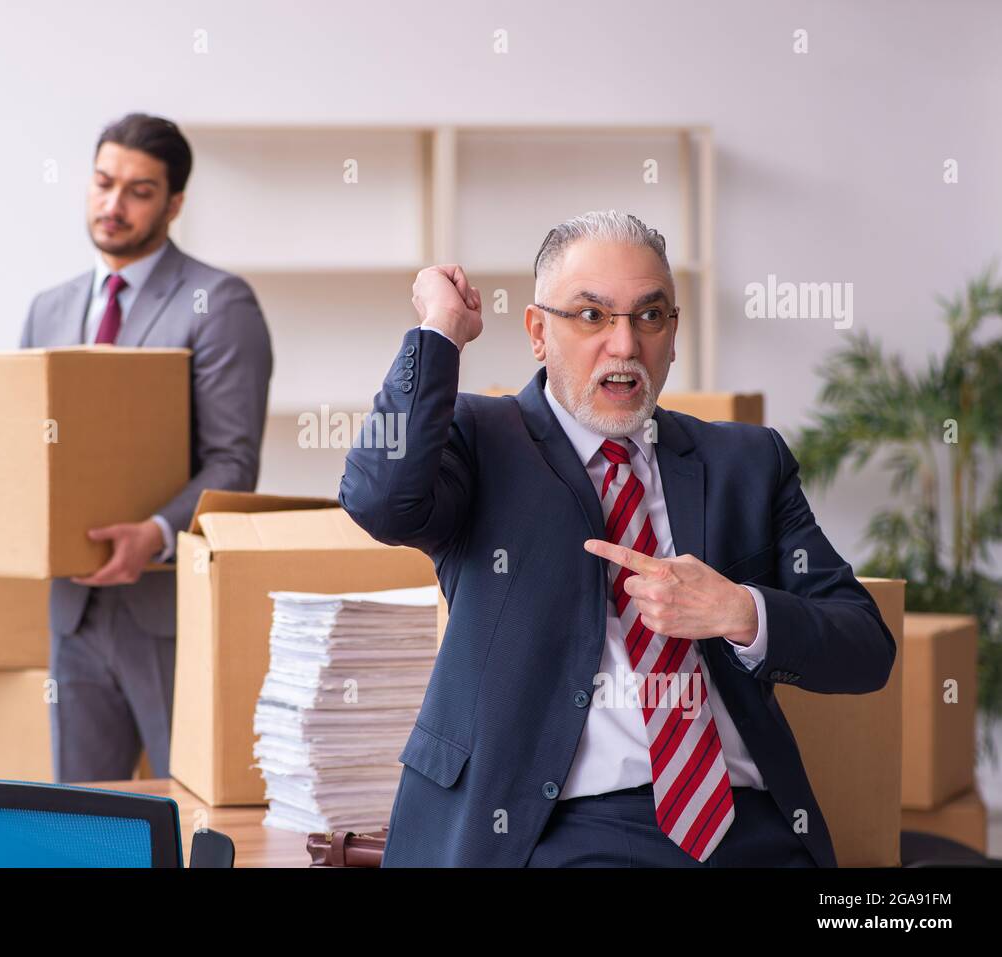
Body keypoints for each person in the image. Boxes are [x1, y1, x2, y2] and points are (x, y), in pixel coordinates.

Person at [339, 210, 895, 867]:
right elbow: (380, 499)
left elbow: (866, 647)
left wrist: (741, 612)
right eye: (592, 316)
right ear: (538, 333)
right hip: (556, 827)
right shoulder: (483, 441)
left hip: (749, 829)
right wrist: (440, 332)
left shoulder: (747, 461)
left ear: (674, 333)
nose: (626, 345)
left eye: (649, 315)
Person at [20, 113, 272, 783]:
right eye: (104, 183)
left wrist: (155, 533)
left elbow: (233, 463)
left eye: (138, 190)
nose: (113, 205)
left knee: (186, 808)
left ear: (174, 203)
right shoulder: (49, 308)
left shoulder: (218, 303)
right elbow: (24, 451)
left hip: (165, 605)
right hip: (73, 607)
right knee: (80, 817)